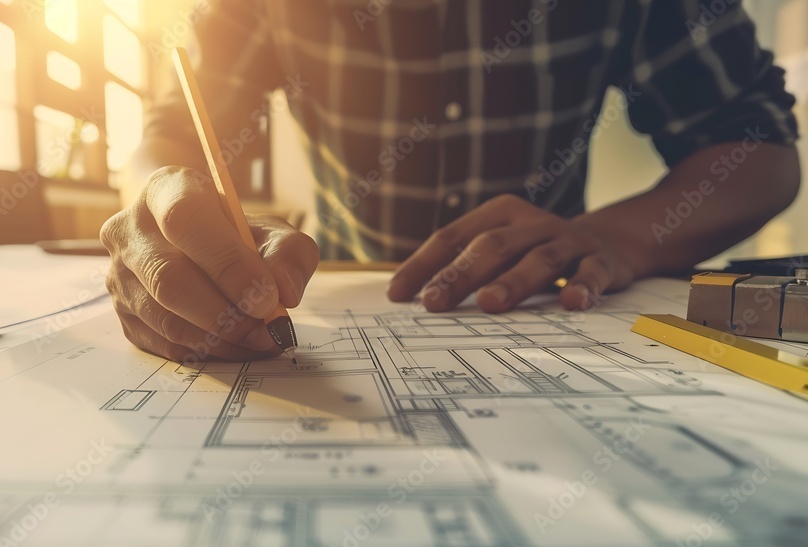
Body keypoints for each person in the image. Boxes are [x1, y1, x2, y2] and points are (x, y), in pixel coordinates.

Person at [100, 0, 801, 362]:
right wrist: (161, 205)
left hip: (551, 305)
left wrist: (618, 238)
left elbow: (759, 143)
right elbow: (171, 134)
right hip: (340, 293)